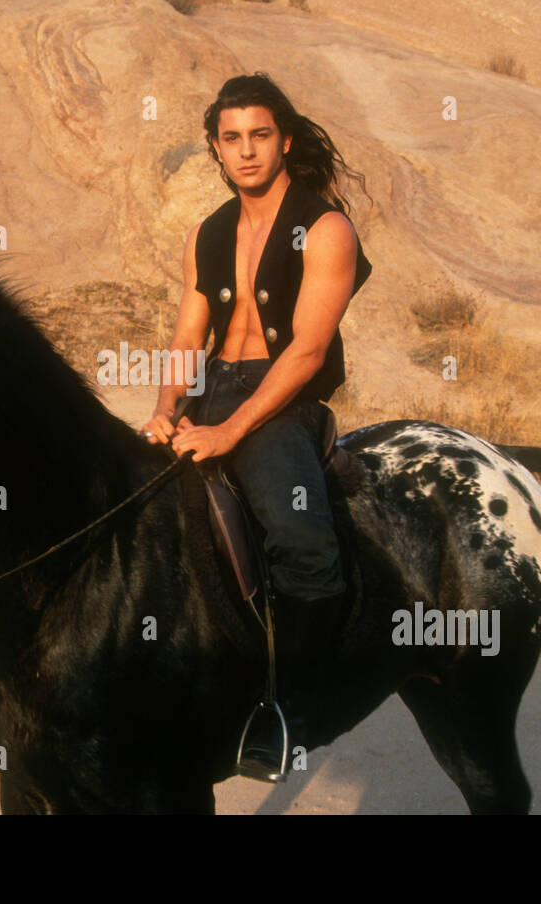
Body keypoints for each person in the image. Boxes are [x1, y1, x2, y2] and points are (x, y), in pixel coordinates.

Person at [140, 72, 372, 780]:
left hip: (282, 398)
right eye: (232, 138)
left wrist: (228, 432)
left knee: (302, 541)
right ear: (215, 147)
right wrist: (163, 408)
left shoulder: (326, 227)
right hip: (211, 391)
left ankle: (294, 707)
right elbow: (188, 338)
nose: (246, 151)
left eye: (260, 136)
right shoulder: (205, 234)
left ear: (285, 140)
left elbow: (305, 351)